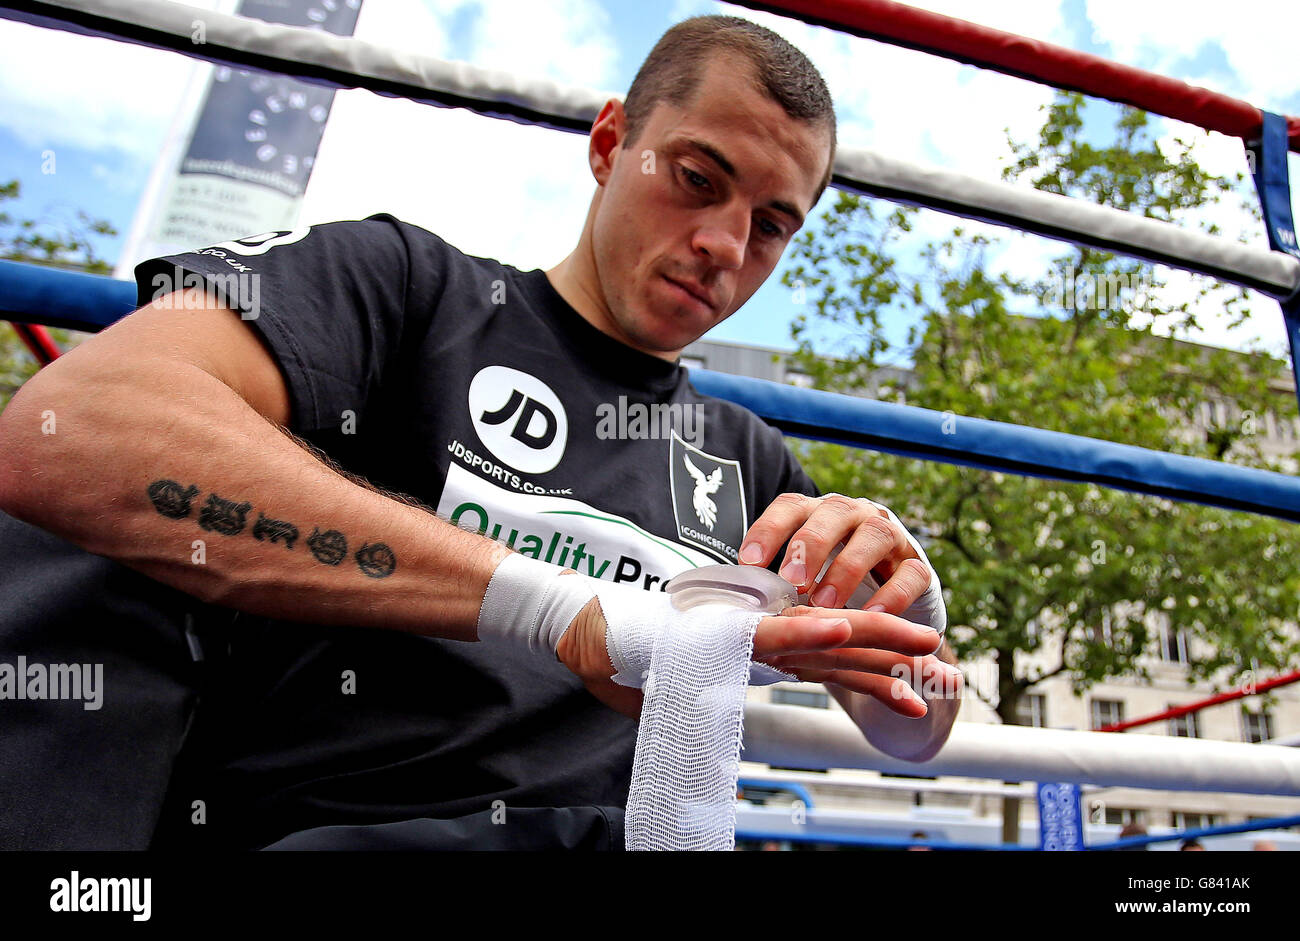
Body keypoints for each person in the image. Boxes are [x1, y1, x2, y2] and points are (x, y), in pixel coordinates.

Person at [0, 14, 958, 850]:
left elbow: (912, 731)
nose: (724, 246)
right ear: (610, 143)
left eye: (771, 226)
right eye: (699, 179)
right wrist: (561, 611)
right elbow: (72, 430)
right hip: (337, 832)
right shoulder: (409, 290)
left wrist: (916, 615)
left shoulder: (748, 459)